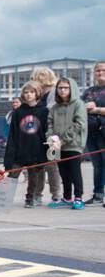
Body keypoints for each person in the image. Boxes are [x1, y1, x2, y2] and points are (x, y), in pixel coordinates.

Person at [5, 83, 49, 208]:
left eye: (31, 92)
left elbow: (46, 131)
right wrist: (10, 154)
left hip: (36, 150)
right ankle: (3, 197)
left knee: (33, 177)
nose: (28, 94)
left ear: (37, 93)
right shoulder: (18, 112)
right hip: (20, 150)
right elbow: (13, 133)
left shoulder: (44, 111)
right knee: (12, 174)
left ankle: (30, 198)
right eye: (26, 92)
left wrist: (46, 152)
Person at [47, 76, 88, 209]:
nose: (63, 90)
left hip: (74, 144)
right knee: (63, 172)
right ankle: (66, 197)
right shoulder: (54, 108)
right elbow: (49, 125)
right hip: (58, 145)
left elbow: (79, 124)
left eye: (66, 88)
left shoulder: (78, 104)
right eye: (60, 88)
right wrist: (52, 139)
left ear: (72, 89)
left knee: (74, 171)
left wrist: (63, 140)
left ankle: (78, 197)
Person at [29, 67, 63, 205]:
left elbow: (51, 110)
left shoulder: (54, 91)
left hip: (51, 133)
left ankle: (56, 194)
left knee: (51, 165)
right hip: (38, 133)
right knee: (38, 165)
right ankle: (37, 194)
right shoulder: (37, 93)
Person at [81, 61, 105, 204]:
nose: (100, 73)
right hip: (91, 132)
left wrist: (96, 110)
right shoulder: (89, 91)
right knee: (97, 164)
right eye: (97, 71)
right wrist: (85, 107)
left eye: (103, 70)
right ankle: (98, 194)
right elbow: (79, 109)